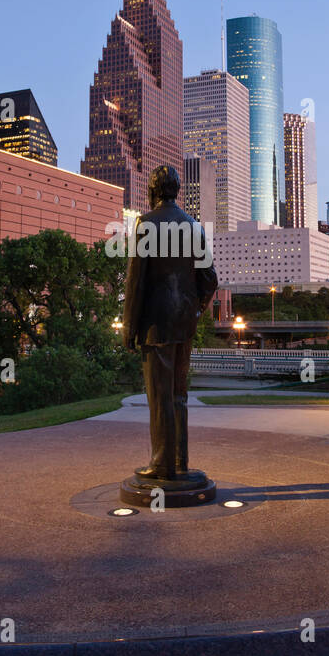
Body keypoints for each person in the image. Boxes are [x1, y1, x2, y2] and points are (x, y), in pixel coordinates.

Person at [122, 165, 219, 481]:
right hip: (184, 323)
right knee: (178, 394)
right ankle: (179, 462)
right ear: (177, 190)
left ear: (153, 190)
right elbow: (209, 279)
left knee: (159, 395)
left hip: (156, 324)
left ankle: (162, 465)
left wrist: (129, 328)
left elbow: (136, 282)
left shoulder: (146, 224)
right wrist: (197, 310)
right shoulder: (193, 227)